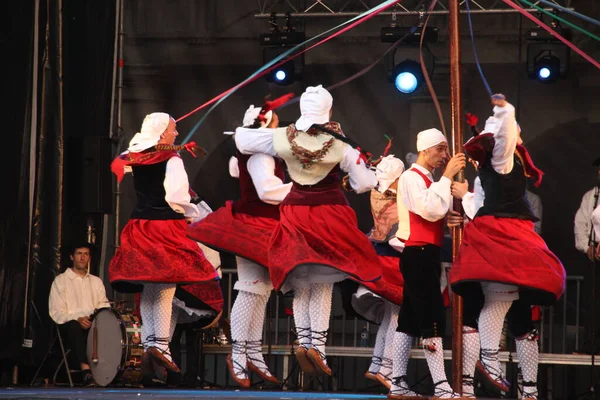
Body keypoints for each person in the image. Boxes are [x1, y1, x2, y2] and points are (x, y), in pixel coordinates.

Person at [234, 85, 381, 377]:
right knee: (323, 283)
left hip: (296, 213)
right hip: (330, 214)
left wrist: (265, 126)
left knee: (301, 281)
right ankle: (318, 346)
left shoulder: (284, 138)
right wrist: (350, 181)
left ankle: (304, 340)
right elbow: (365, 183)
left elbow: (242, 140)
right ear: (329, 110)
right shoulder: (342, 144)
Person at [448, 95, 565, 397]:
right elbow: (507, 135)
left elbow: (507, 138)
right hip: (503, 233)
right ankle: (489, 361)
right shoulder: (502, 160)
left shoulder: (499, 166)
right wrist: (505, 111)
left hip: (506, 231)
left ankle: (512, 376)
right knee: (499, 299)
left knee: (502, 301)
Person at [187, 96, 293, 387]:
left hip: (264, 225)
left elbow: (236, 170)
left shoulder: (252, 154)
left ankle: (252, 351)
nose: (279, 124)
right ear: (267, 124)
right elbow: (266, 192)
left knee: (261, 290)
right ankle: (238, 353)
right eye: (275, 121)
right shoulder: (260, 155)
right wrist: (303, 187)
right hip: (253, 225)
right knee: (250, 290)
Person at [109, 112, 220, 376]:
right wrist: (194, 214)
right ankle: (160, 344)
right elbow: (176, 197)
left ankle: (151, 343)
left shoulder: (136, 156)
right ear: (161, 133)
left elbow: (124, 163)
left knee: (149, 286)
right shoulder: (172, 159)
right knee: (166, 285)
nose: (177, 134)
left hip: (139, 226)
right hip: (166, 226)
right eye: (173, 129)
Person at [395, 128, 466, 399]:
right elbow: (429, 209)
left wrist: (449, 218)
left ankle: (397, 381)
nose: (444, 155)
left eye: (445, 150)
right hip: (419, 253)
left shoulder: (426, 180)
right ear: (425, 149)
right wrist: (447, 176)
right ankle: (441, 385)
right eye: (440, 149)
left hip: (425, 253)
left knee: (409, 320)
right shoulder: (410, 178)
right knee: (432, 317)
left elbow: (435, 211)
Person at [49, 243, 109, 375]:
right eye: (79, 254)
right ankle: (85, 368)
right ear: (72, 257)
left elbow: (104, 305)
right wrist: (78, 318)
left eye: (86, 254)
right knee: (75, 327)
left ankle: (110, 370)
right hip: (70, 325)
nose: (82, 257)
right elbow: (56, 312)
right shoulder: (61, 281)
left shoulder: (96, 281)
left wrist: (94, 319)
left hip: (93, 323)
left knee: (108, 326)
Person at [574, 157, 600, 353]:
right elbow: (580, 224)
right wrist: (587, 246)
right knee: (593, 302)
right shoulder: (591, 196)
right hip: (595, 258)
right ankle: (591, 345)